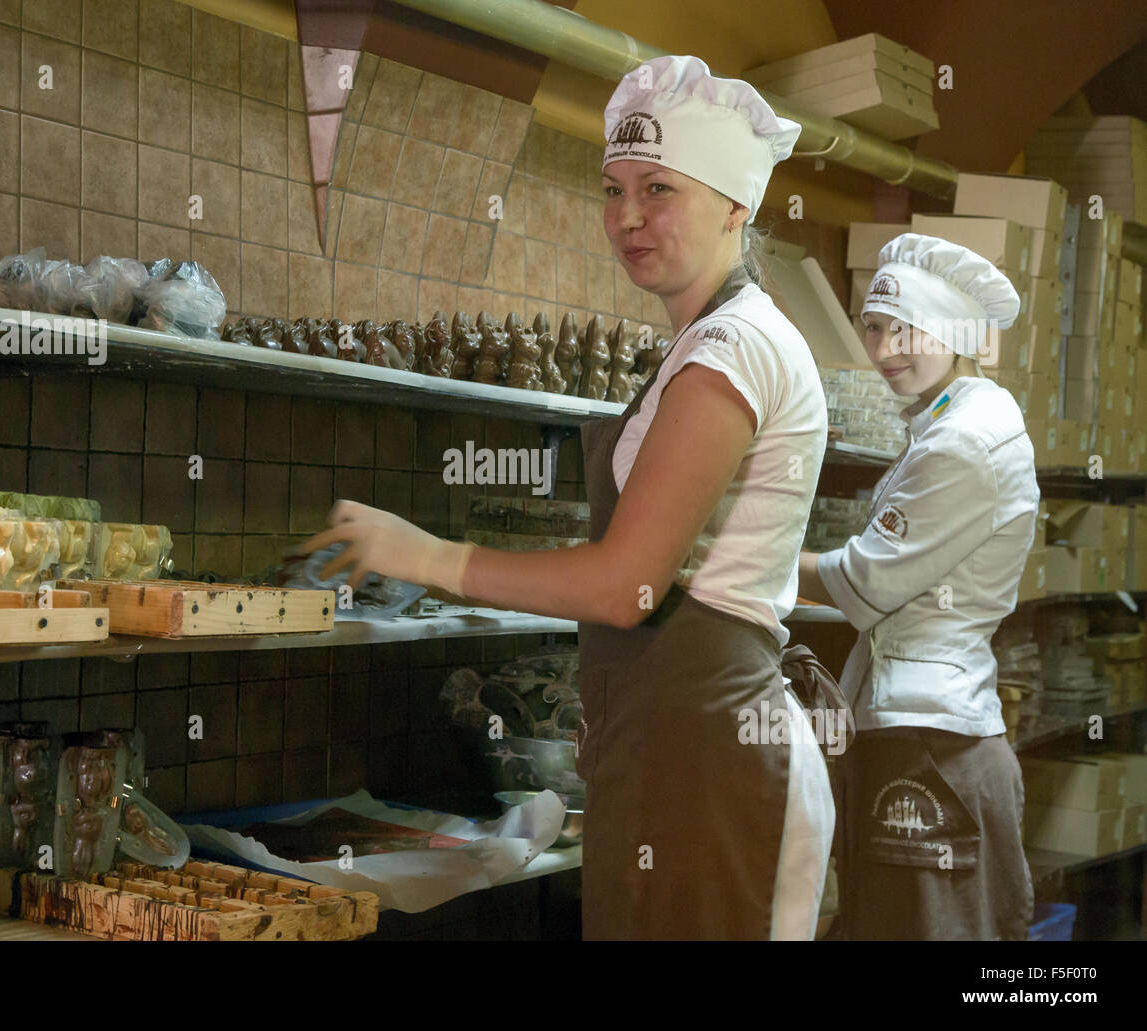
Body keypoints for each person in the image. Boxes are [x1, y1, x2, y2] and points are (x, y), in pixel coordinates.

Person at [303, 55, 835, 940]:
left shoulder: (731, 351)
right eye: (613, 188)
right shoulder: (716, 341)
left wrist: (425, 555)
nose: (627, 216)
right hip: (678, 746)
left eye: (658, 188)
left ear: (737, 204)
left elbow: (625, 585)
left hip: (708, 756)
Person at [797, 232, 1039, 940]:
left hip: (929, 747)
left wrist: (747, 561)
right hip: (927, 734)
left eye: (907, 329)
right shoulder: (954, 418)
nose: (884, 348)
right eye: (873, 326)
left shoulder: (961, 440)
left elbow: (866, 586)